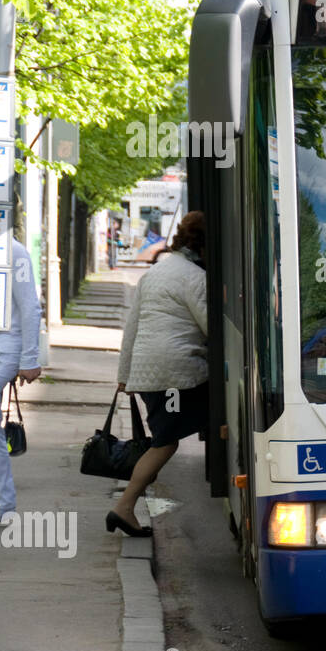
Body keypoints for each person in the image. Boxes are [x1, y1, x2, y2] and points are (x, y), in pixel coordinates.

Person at [112, 211, 209, 537]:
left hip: (150, 370)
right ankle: (124, 507)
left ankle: (125, 506)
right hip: (175, 374)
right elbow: (211, 325)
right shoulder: (195, 277)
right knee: (165, 443)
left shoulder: (155, 272)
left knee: (175, 433)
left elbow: (132, 327)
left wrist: (124, 375)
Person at [0, 239, 42, 527]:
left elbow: (30, 308)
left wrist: (29, 359)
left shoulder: (14, 251)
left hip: (4, 345)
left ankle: (0, 503)